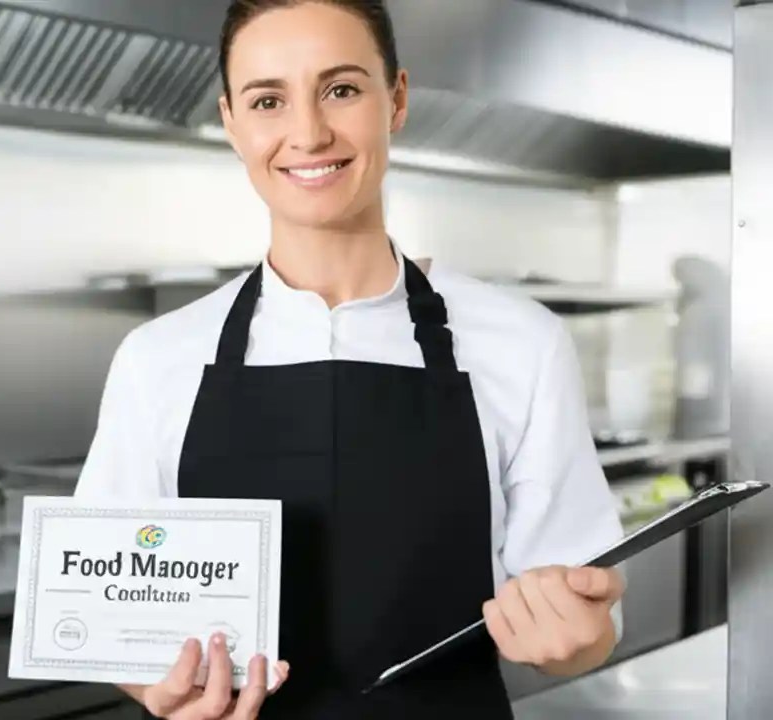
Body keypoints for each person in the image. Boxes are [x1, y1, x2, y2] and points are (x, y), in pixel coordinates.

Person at [74, 1, 626, 717]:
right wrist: (157, 686)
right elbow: (105, 616)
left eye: (341, 89)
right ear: (233, 122)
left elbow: (585, 613)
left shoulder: (522, 341)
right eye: (268, 100)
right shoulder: (158, 358)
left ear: (395, 99)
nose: (307, 133)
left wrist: (579, 634)